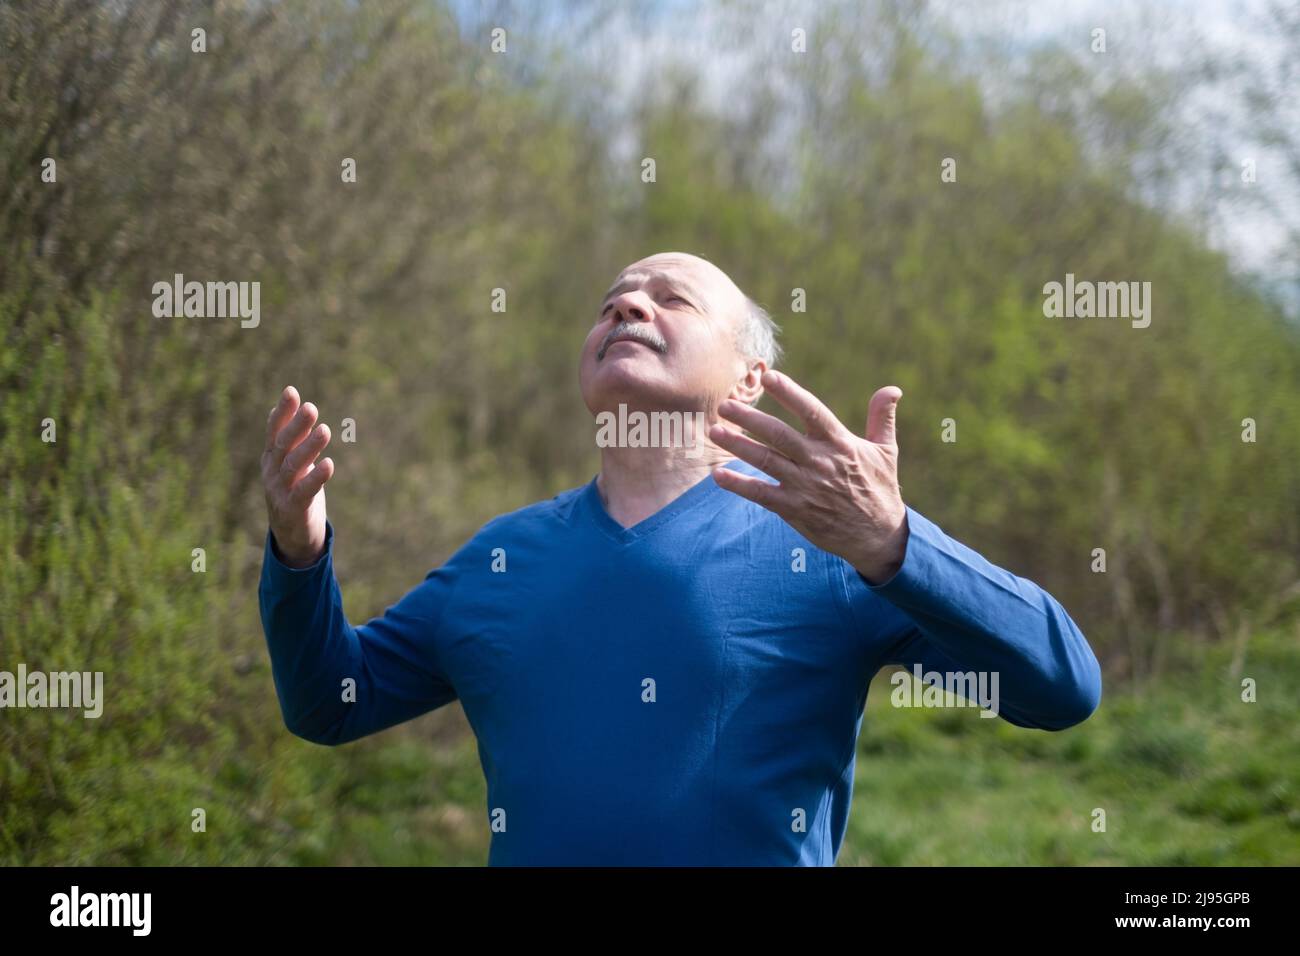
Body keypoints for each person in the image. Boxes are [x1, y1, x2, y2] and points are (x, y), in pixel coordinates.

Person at [258, 251, 1102, 865]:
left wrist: (894, 541)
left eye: (673, 300)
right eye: (611, 303)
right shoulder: (502, 557)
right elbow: (333, 703)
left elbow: (1062, 689)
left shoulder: (833, 549)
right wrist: (301, 553)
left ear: (748, 378)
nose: (627, 309)